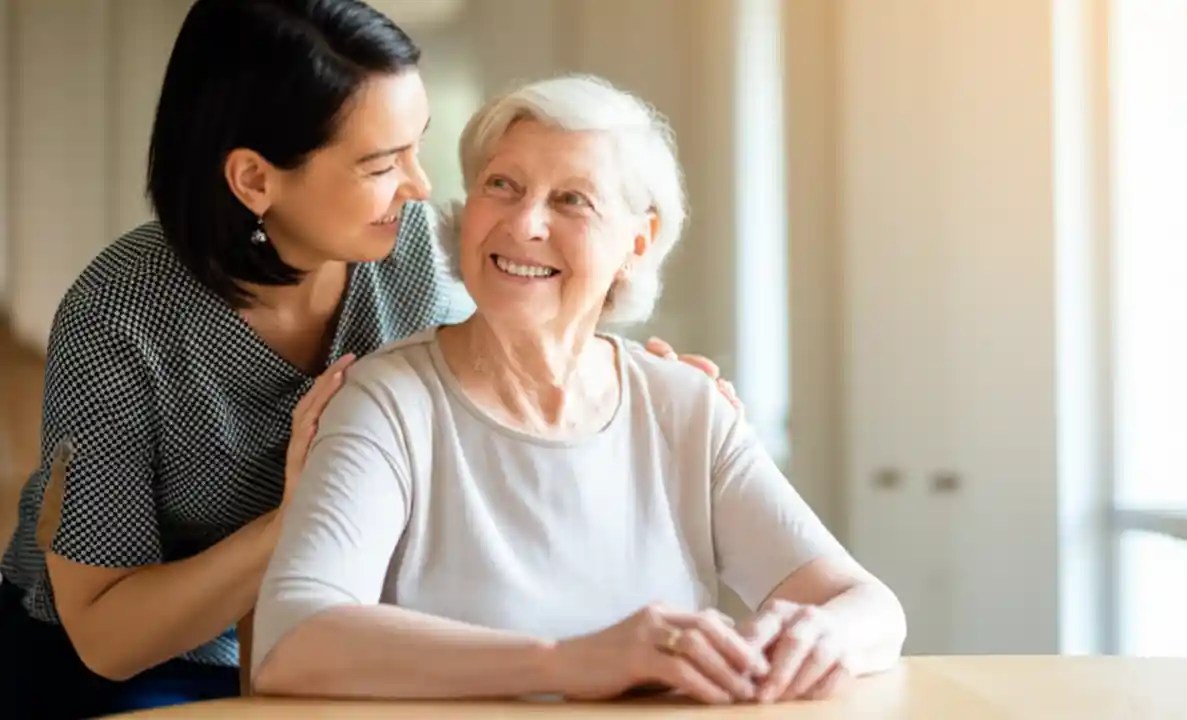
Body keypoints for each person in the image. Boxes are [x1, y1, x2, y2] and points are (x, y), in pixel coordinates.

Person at [0, 3, 718, 717]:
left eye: (416, 145)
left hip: (326, 647)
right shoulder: (117, 317)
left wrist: (643, 399)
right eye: (380, 164)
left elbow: (506, 378)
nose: (420, 186)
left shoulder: (406, 255)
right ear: (255, 181)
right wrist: (290, 522)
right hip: (127, 678)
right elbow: (106, 635)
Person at [251, 74, 907, 706]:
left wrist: (823, 635)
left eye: (572, 200)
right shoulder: (388, 400)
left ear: (637, 241)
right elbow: (293, 639)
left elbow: (868, 605)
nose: (524, 223)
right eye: (502, 185)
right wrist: (566, 663)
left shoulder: (684, 405)